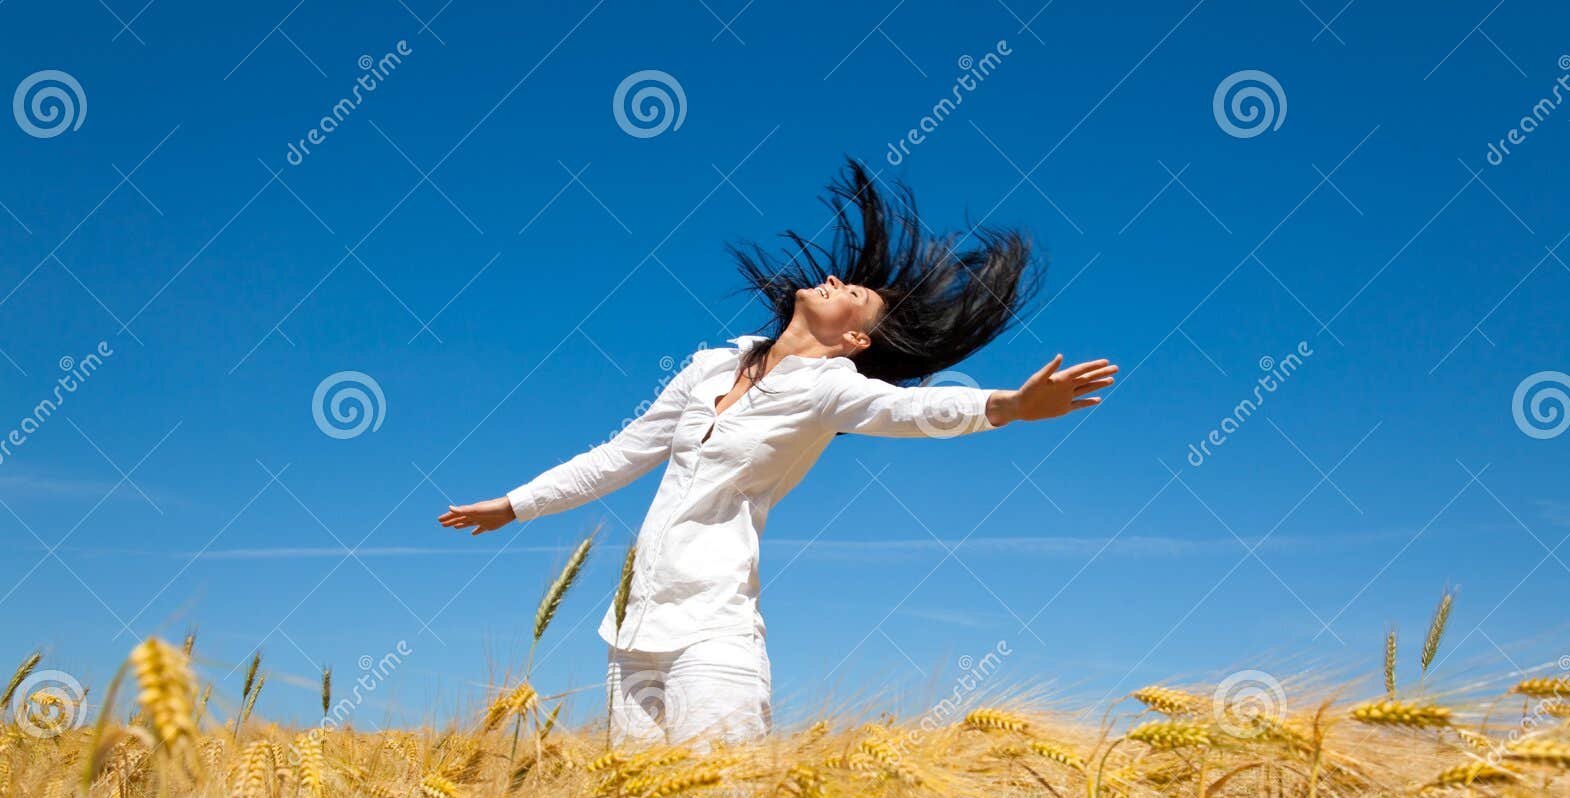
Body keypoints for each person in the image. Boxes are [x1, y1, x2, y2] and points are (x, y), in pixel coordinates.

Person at [438, 157, 1116, 747]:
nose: (833, 278)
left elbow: (909, 411)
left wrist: (1010, 406)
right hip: (630, 632)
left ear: (855, 342)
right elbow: (621, 455)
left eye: (852, 293)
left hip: (715, 636)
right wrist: (513, 505)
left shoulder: (831, 388)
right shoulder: (710, 364)